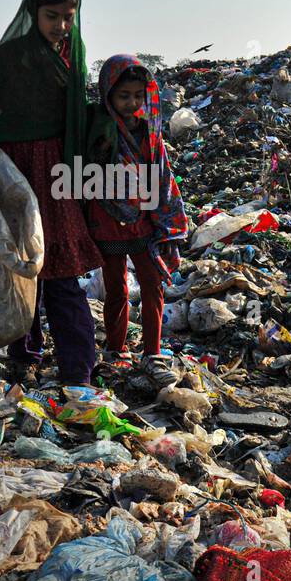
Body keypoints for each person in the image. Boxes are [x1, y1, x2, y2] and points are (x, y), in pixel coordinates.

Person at [0, 0, 102, 387]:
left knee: (60, 273)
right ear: (33, 13)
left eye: (68, 17)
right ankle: (25, 356)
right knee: (24, 269)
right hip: (18, 172)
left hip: (58, 173)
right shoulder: (9, 56)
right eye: (51, 15)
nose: (60, 26)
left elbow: (76, 115)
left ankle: (78, 369)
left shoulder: (73, 54)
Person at [86, 55, 188, 387]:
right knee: (115, 289)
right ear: (108, 95)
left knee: (152, 285)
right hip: (109, 220)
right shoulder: (98, 128)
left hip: (144, 220)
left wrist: (163, 213)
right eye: (123, 96)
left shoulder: (150, 129)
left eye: (137, 96)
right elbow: (89, 174)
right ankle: (116, 351)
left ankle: (153, 353)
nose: (131, 103)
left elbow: (161, 169)